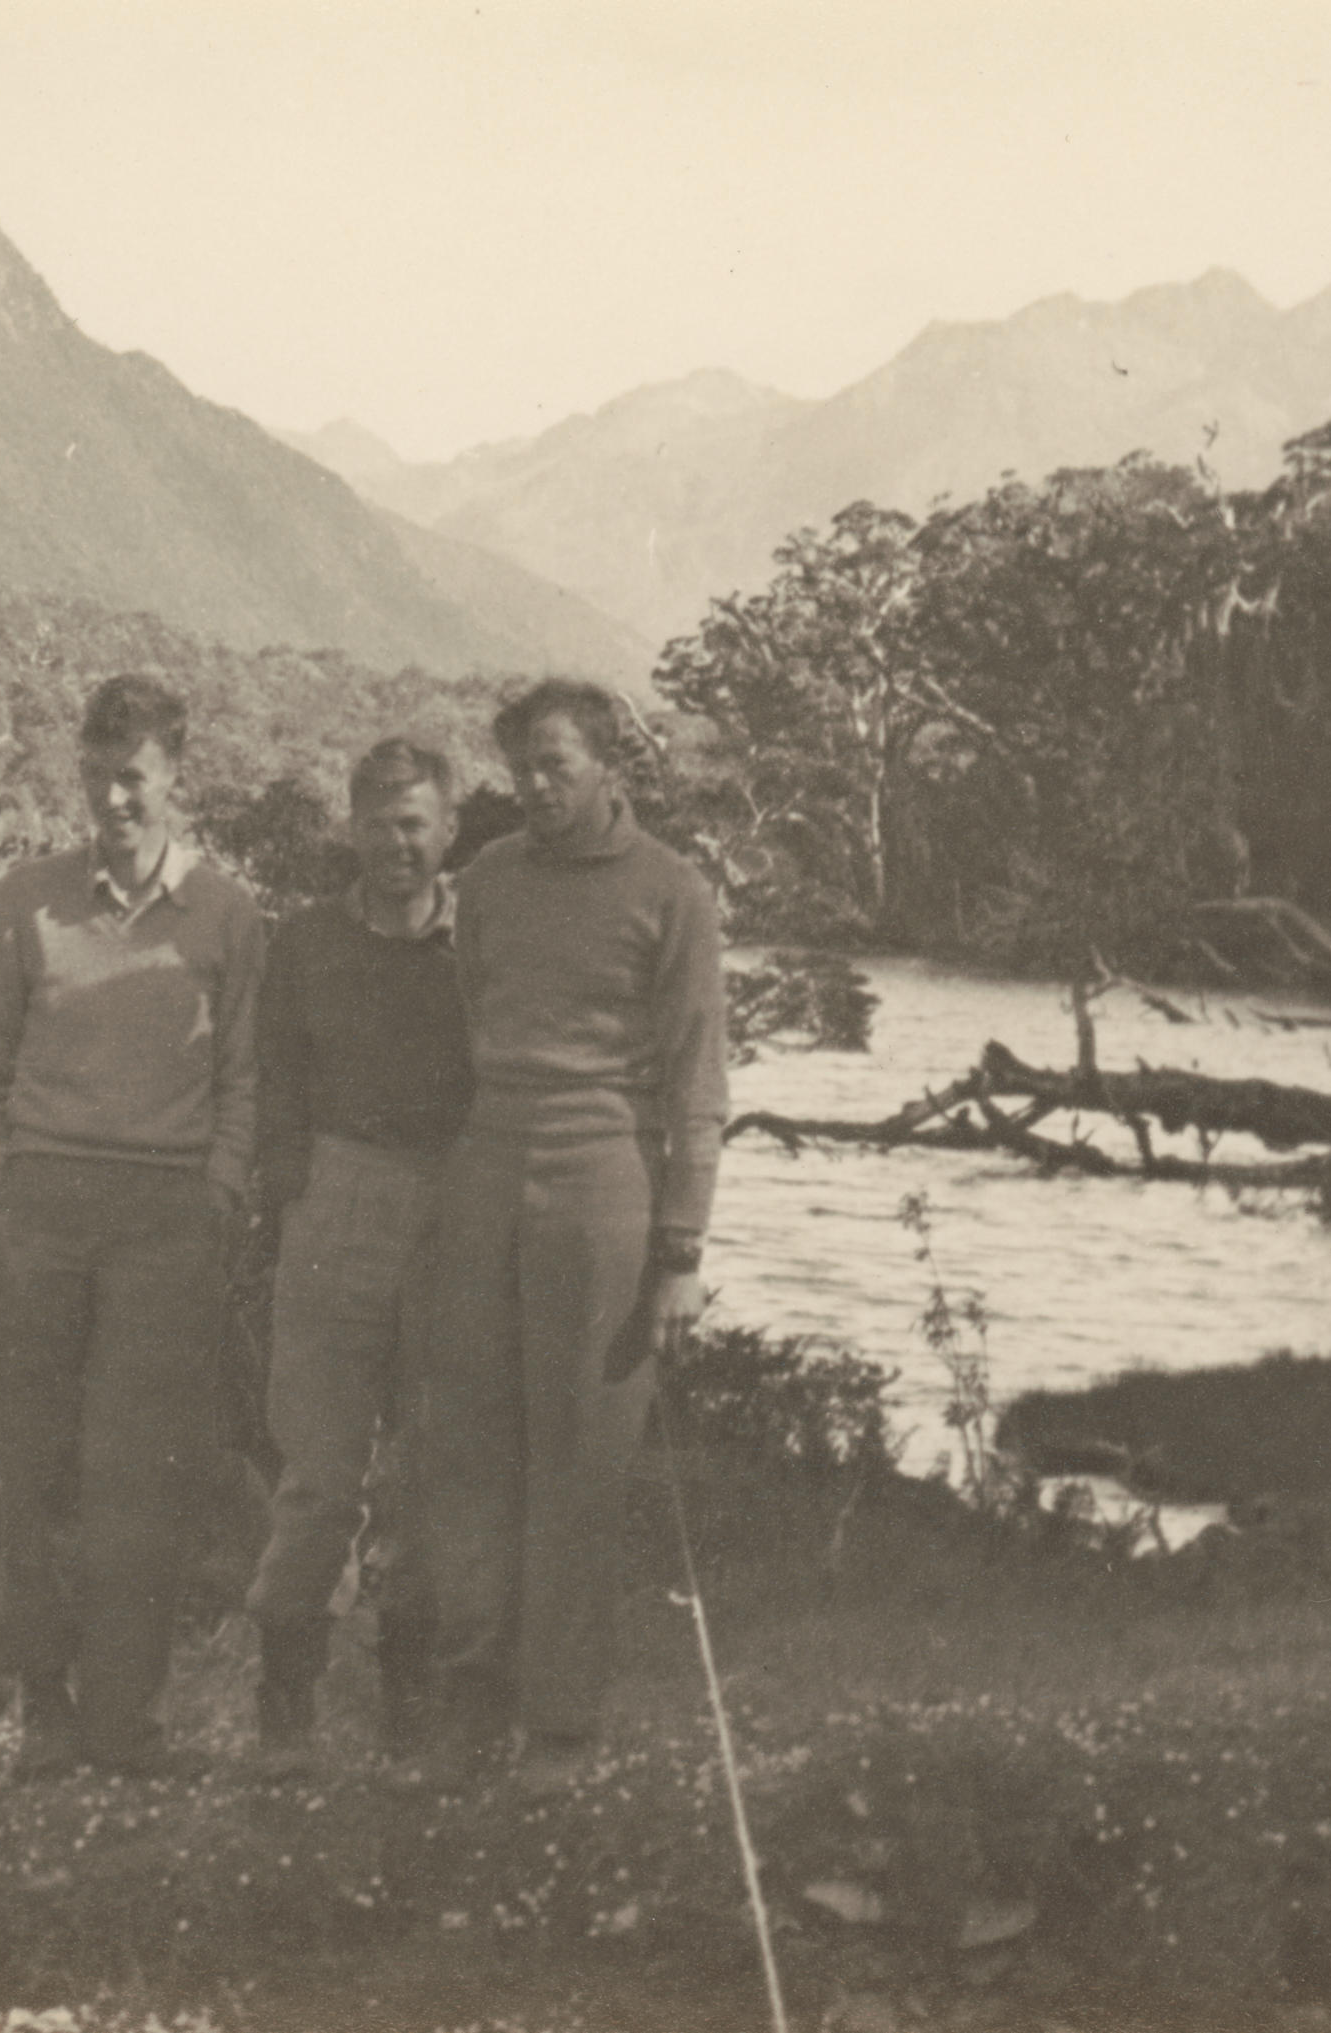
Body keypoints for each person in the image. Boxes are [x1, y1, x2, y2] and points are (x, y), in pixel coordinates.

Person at [404, 679, 726, 1794]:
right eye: (522, 769)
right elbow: (471, 1020)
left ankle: (561, 1728)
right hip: (489, 1169)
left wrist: (680, 1249)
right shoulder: (487, 880)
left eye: (558, 765)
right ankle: (468, 1713)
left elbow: (696, 1081)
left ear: (608, 769)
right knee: (472, 1457)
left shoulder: (672, 891)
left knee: (581, 1463)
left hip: (606, 1182)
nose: (536, 788)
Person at [0, 673, 265, 1781]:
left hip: (168, 1220)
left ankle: (126, 1720)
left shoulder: (226, 913)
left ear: (177, 777)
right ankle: (43, 1707)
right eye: (95, 773)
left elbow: (245, 1076)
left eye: (132, 776)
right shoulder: (24, 897)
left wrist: (217, 1190)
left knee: (144, 1474)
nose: (112, 798)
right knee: (34, 1465)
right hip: (34, 1213)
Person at [243, 739, 471, 1772]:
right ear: (352, 829)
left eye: (417, 822)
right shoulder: (303, 940)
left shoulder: (482, 941)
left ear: (449, 829)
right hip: (335, 1195)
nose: (398, 843)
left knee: (429, 1472)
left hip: (451, 1203)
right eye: (380, 823)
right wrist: (293, 1186)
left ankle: (409, 1710)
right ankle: (284, 1708)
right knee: (321, 1471)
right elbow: (271, 1071)